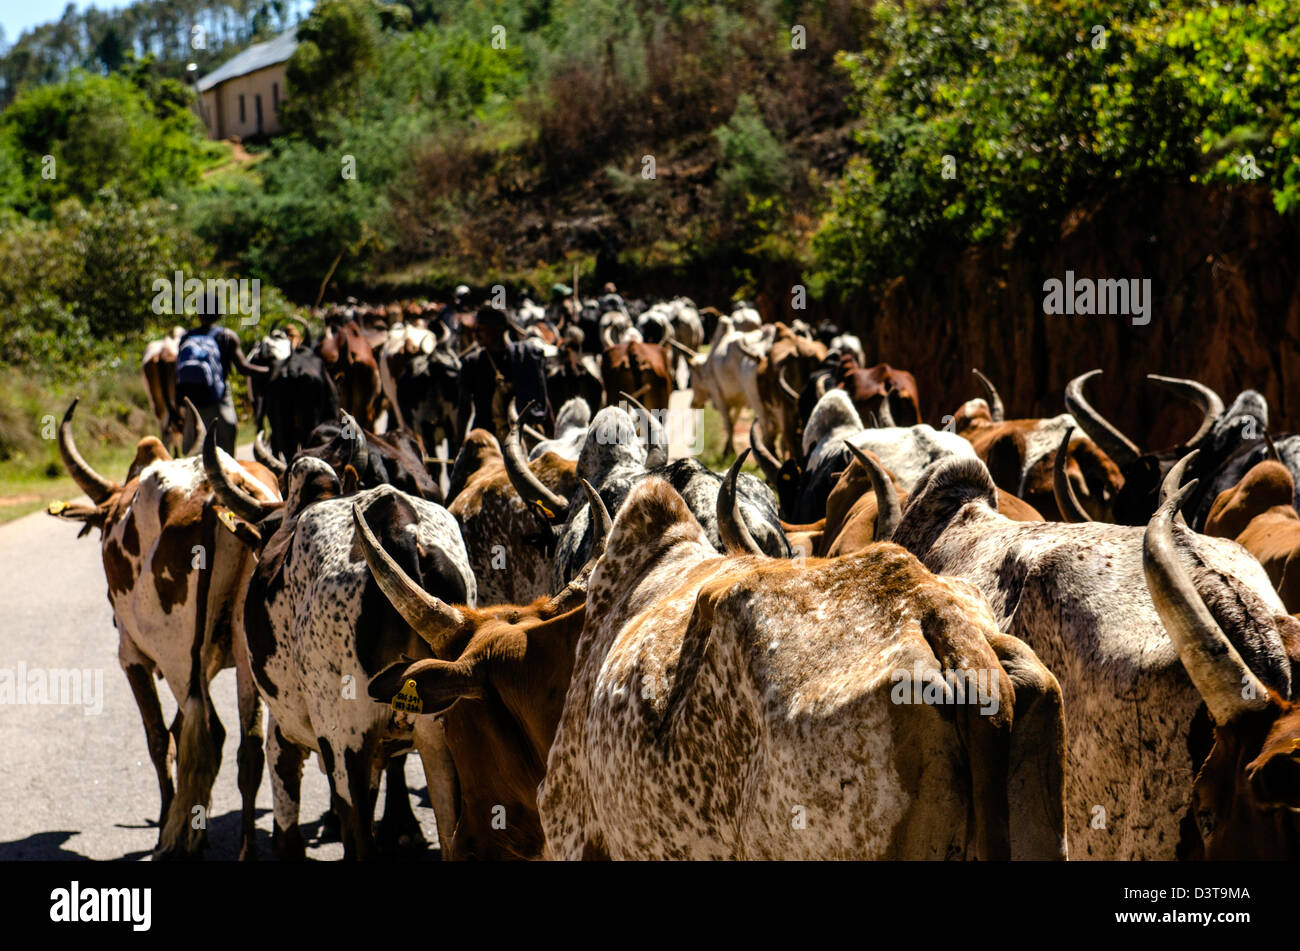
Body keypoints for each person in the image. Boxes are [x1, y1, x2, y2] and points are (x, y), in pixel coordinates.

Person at [174, 316, 268, 454]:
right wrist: (270, 370)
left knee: (195, 446)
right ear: (219, 314)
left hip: (192, 399)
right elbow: (243, 368)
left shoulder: (186, 337)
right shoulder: (226, 336)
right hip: (219, 398)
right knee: (226, 441)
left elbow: (177, 372)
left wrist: (177, 403)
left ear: (199, 315)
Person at [457, 304, 551, 440]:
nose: (475, 332)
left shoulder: (525, 357)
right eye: (475, 327)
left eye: (481, 327)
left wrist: (551, 436)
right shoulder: (472, 363)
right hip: (488, 441)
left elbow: (543, 398)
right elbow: (464, 408)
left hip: (524, 436)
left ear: (499, 328)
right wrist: (459, 446)